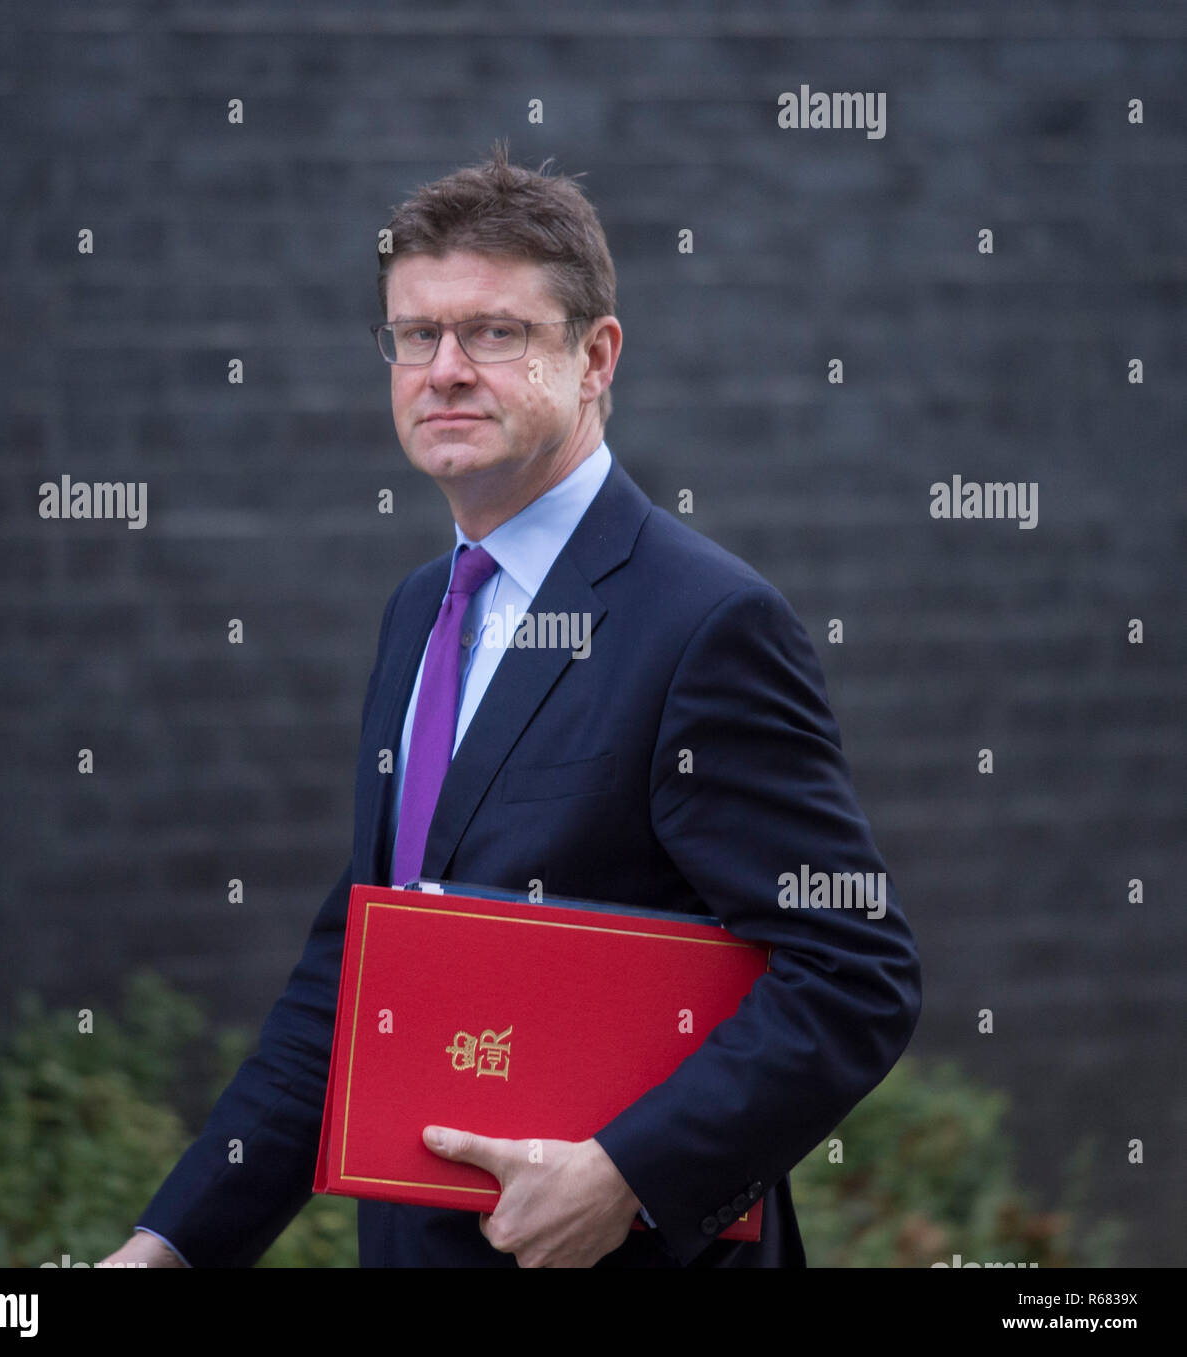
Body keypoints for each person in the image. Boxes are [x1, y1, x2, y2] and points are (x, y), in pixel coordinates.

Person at [101, 141, 921, 1270]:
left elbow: (854, 975)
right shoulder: (417, 614)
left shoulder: (706, 625)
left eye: (494, 332)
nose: (443, 368)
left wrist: (628, 1177)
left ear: (595, 358)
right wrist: (170, 1245)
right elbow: (361, 972)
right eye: (413, 334)